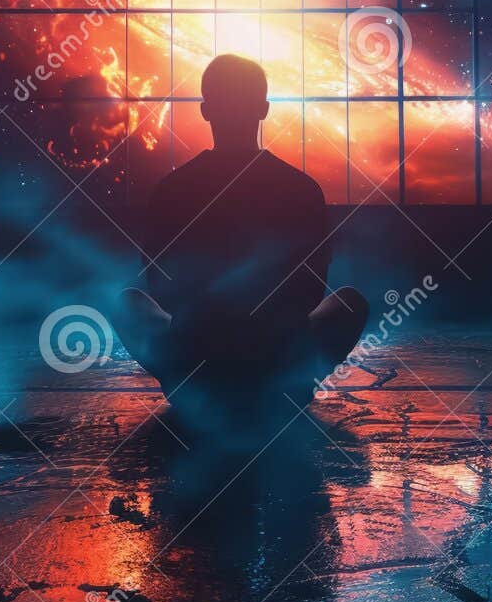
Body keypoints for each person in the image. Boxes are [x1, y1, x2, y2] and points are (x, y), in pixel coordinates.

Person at [111, 54, 369, 403]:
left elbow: (159, 285)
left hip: (197, 354)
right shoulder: (302, 188)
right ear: (263, 109)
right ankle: (290, 381)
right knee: (350, 302)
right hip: (277, 353)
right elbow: (312, 289)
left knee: (127, 303)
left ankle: (190, 385)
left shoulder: (172, 188)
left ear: (206, 110)